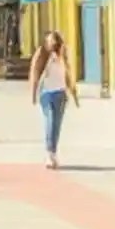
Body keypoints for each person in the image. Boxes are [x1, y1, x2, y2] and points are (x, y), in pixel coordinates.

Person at [29, 30, 79, 169]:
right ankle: (49, 154)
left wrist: (74, 94)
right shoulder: (42, 54)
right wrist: (33, 93)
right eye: (49, 40)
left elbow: (68, 75)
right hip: (46, 93)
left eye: (54, 40)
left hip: (60, 94)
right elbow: (35, 72)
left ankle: (53, 152)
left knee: (57, 125)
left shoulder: (62, 55)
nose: (52, 43)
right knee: (50, 121)